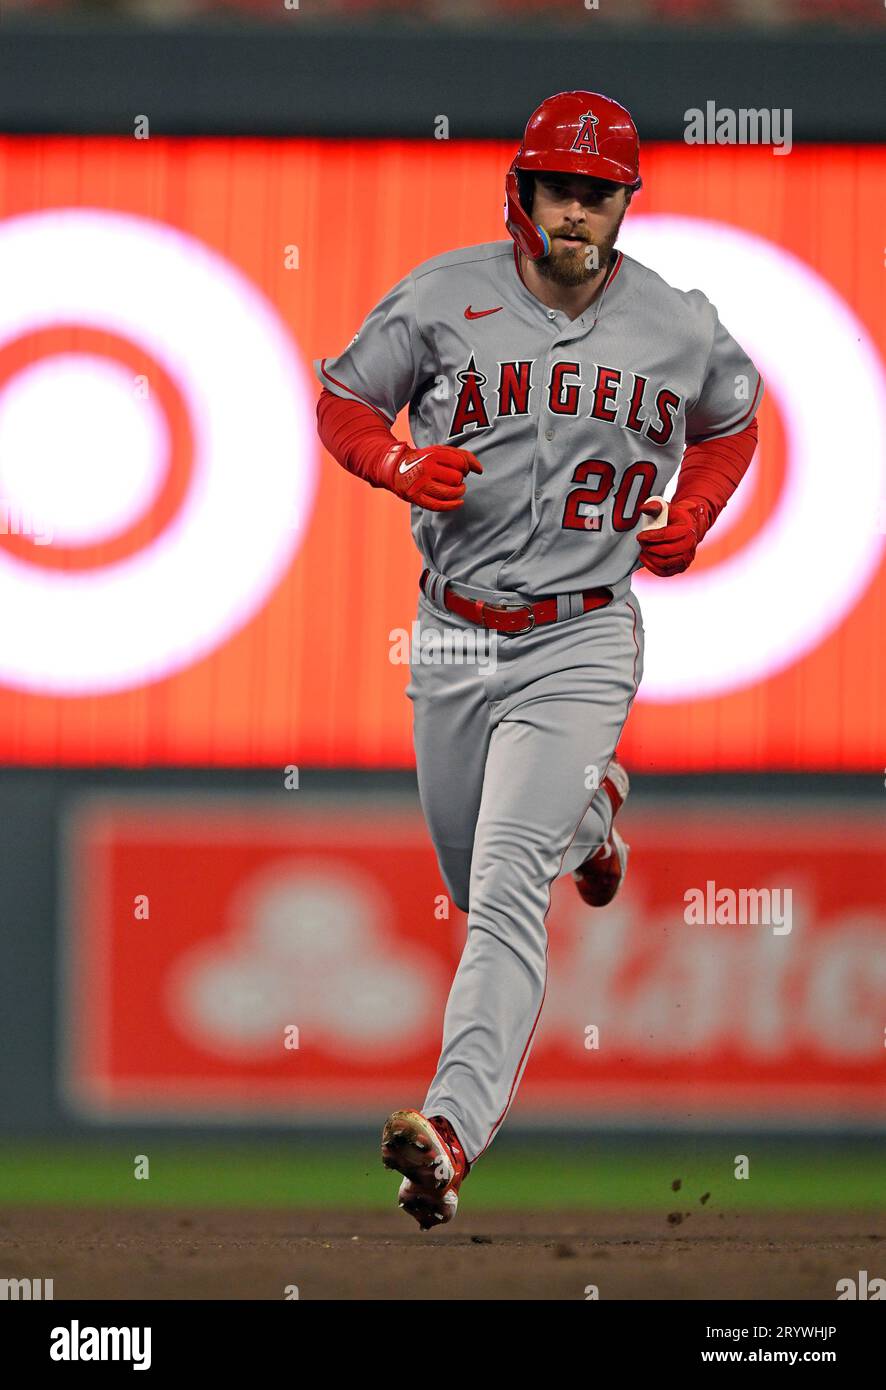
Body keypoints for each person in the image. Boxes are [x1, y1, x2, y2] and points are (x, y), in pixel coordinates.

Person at [314, 90, 762, 1229]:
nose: (578, 210)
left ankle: (449, 1133)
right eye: (562, 187)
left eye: (599, 193)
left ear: (624, 205)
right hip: (454, 628)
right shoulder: (442, 296)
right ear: (521, 192)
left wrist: (697, 510)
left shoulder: (676, 322)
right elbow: (344, 399)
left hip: (583, 630)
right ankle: (594, 819)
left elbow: (732, 419)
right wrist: (394, 465)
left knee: (508, 888)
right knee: (476, 884)